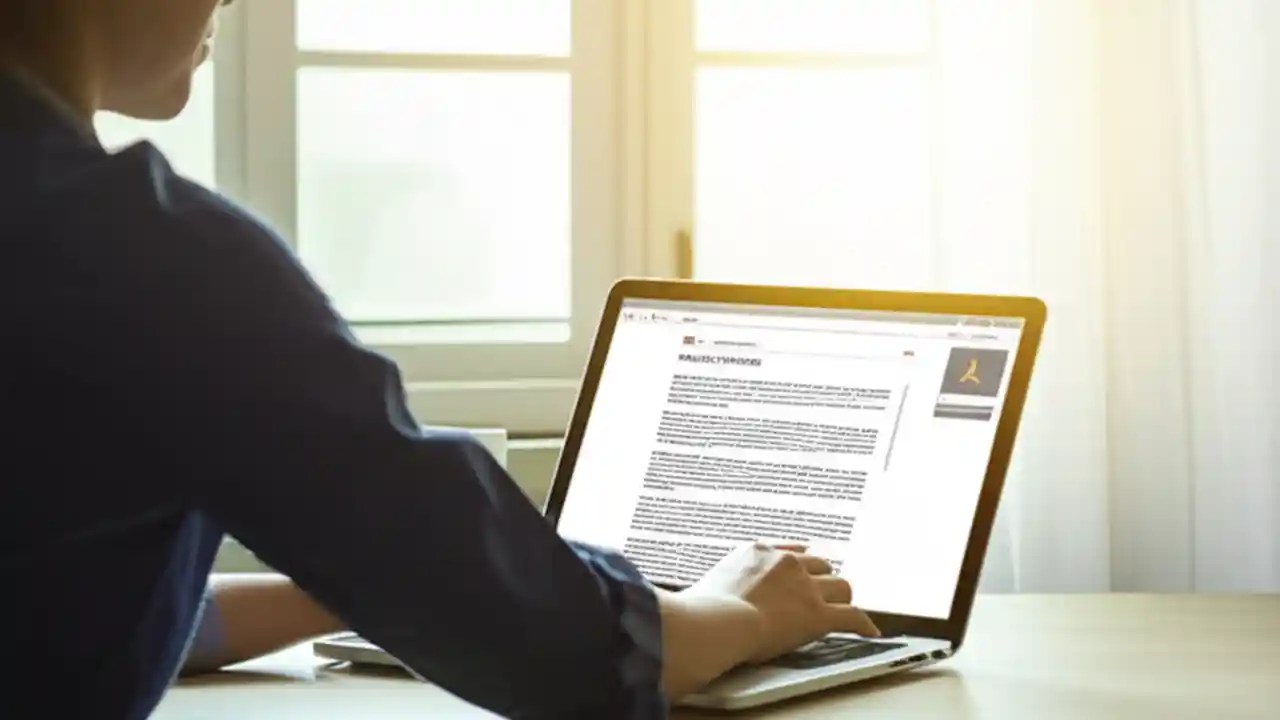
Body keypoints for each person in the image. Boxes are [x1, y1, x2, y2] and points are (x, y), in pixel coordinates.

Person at [0, 1, 880, 718]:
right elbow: (563, 655)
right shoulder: (146, 256)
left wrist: (362, 579)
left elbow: (50, 616)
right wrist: (745, 611)